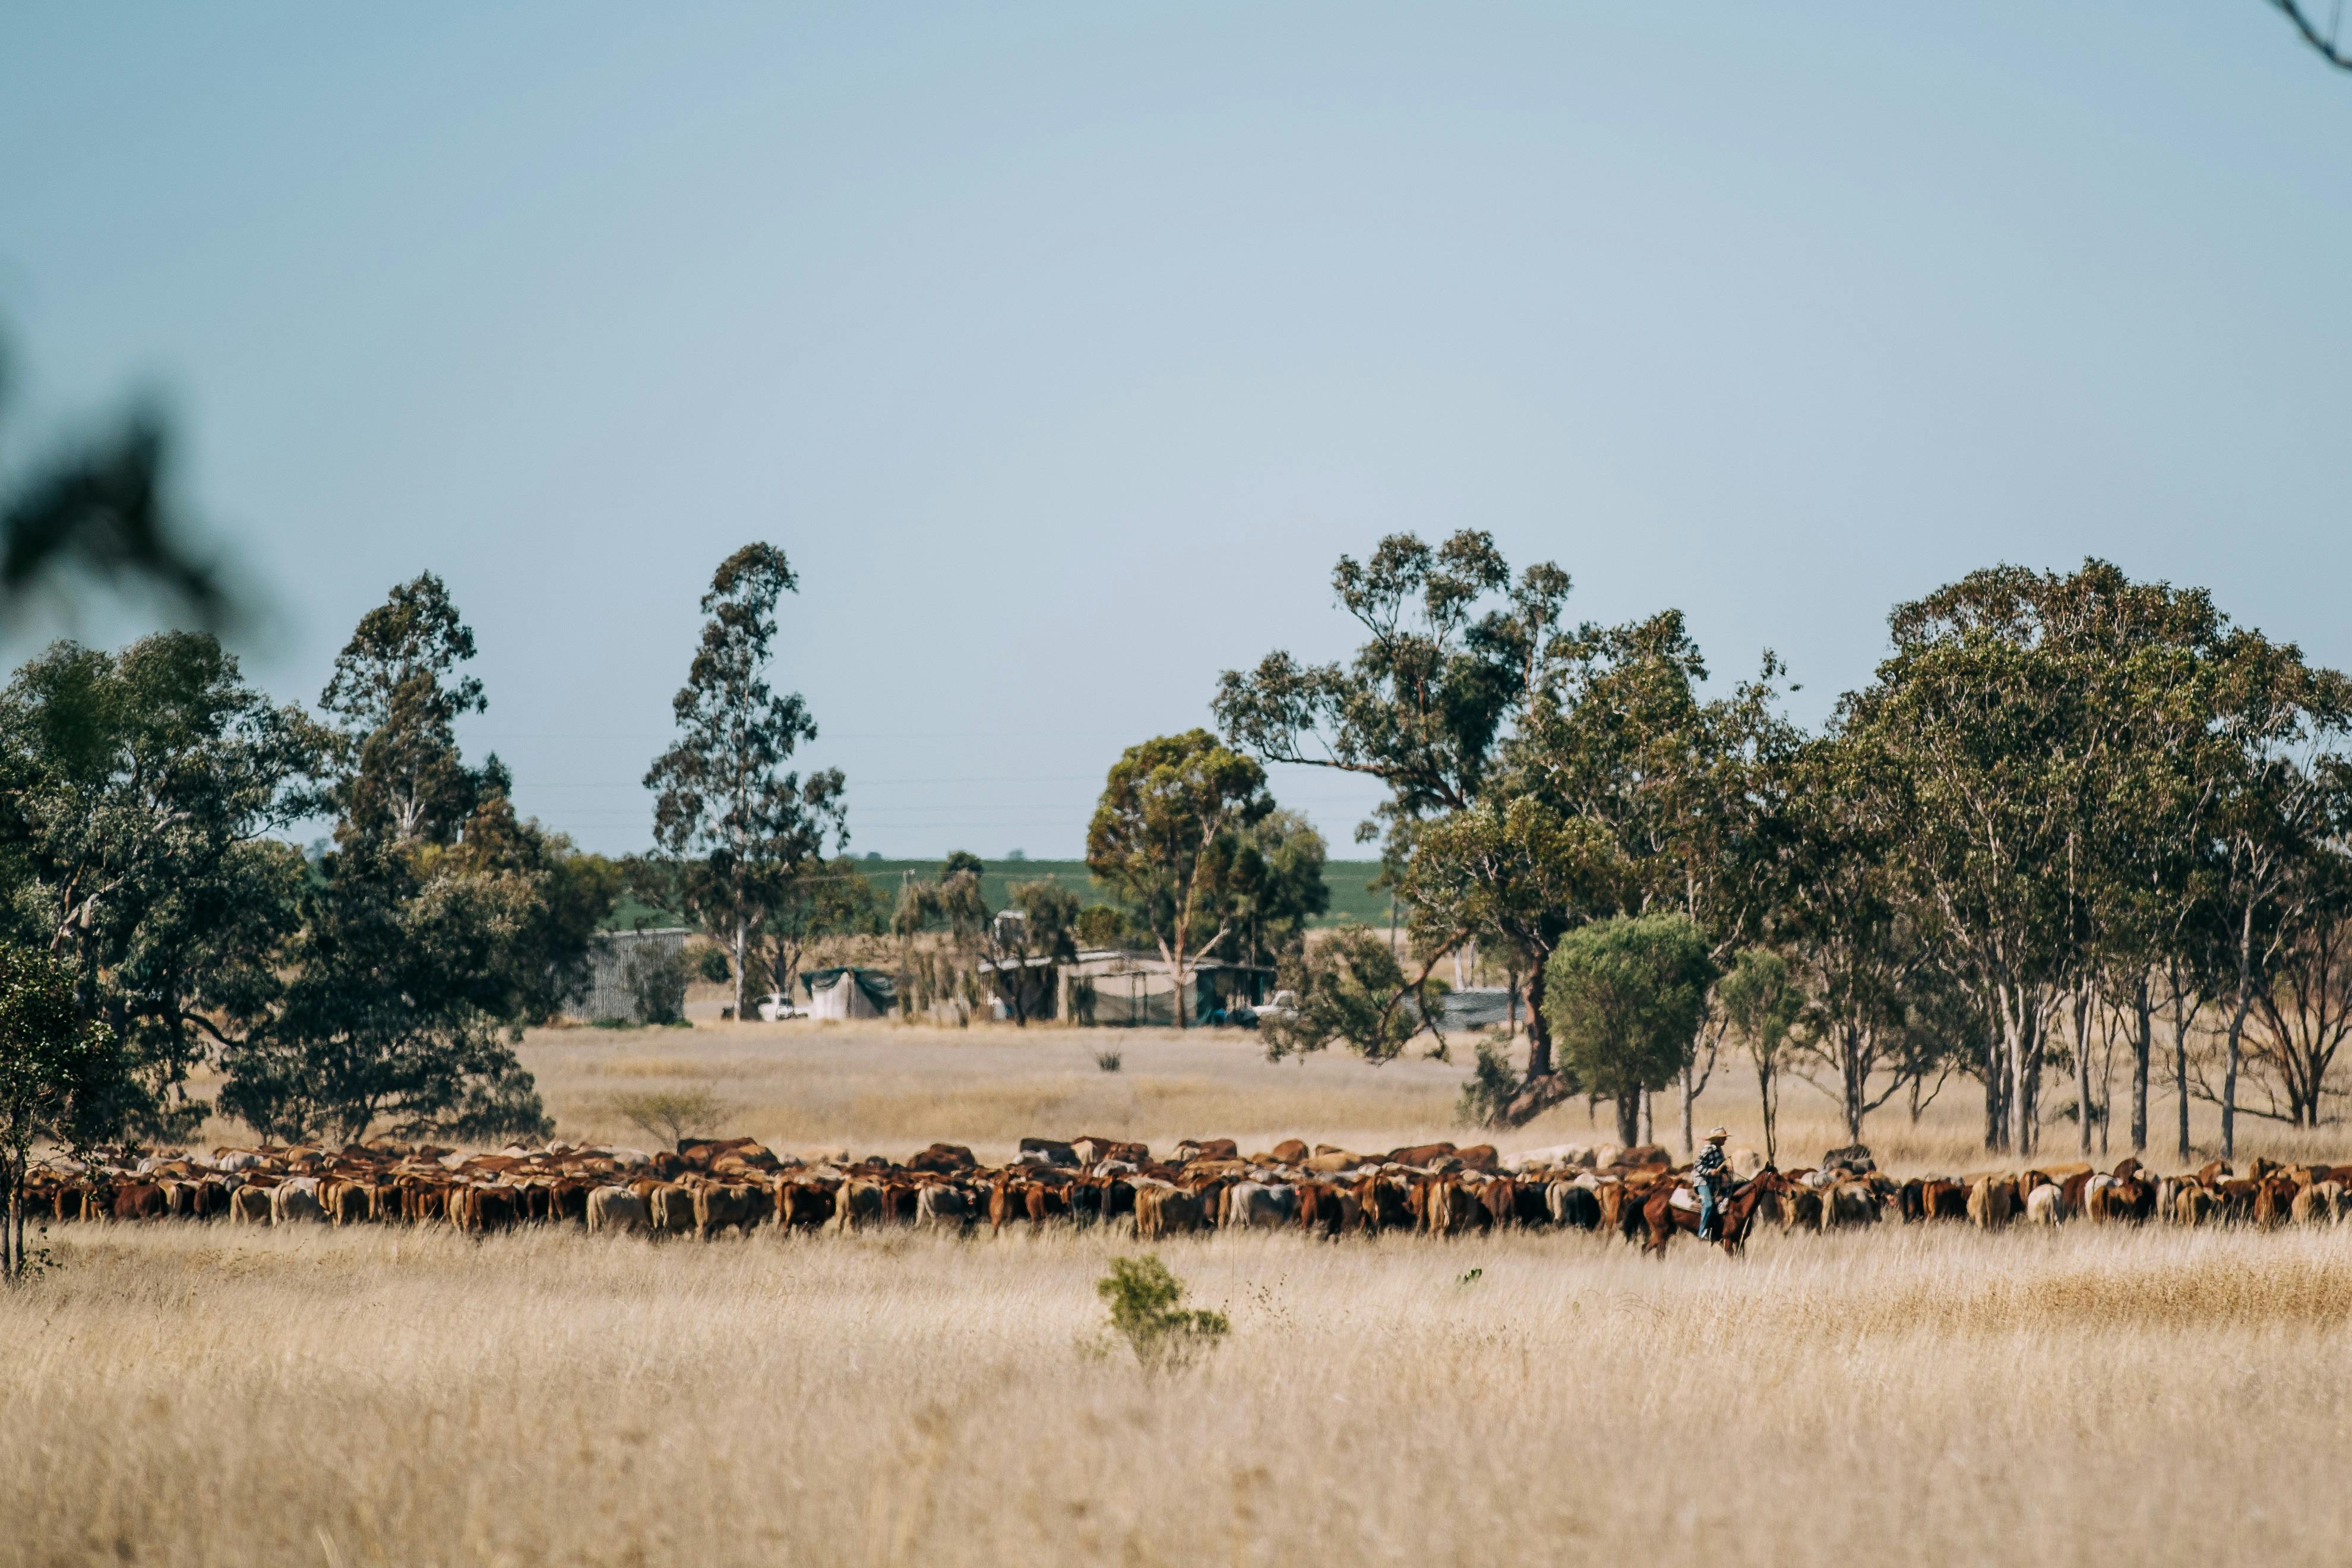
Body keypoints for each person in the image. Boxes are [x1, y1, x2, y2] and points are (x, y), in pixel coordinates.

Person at [1693, 1127, 1731, 1241]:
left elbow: (1720, 1165)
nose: (1725, 1140)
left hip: (1714, 1183)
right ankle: (1702, 1232)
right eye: (1723, 1138)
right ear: (1717, 1139)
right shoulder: (1707, 1149)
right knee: (1709, 1205)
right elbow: (1698, 1165)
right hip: (1702, 1181)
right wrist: (1710, 1171)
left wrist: (1726, 1169)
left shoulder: (1719, 1150)